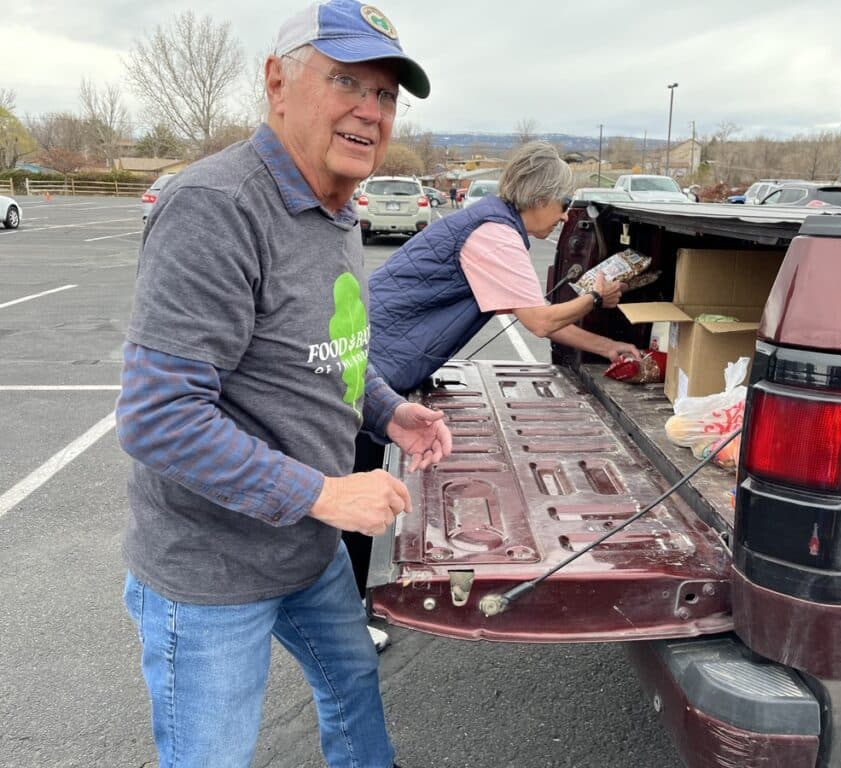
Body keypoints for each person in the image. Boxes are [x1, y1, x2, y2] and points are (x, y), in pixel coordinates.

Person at [114, 2, 446, 766]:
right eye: (347, 82)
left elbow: (326, 353)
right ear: (277, 82)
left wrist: (393, 414)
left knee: (352, 683)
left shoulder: (336, 206)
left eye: (387, 95)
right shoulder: (216, 206)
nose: (371, 110)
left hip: (304, 549)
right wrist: (328, 495)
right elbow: (158, 418)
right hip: (211, 572)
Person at [342, 141, 642, 607]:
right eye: (564, 205)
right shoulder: (495, 235)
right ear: (540, 197)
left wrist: (609, 346)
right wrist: (595, 299)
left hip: (371, 358)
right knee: (357, 500)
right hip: (365, 367)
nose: (565, 217)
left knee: (361, 491)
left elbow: (537, 314)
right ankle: (351, 612)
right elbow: (541, 322)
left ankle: (350, 603)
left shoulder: (492, 225)